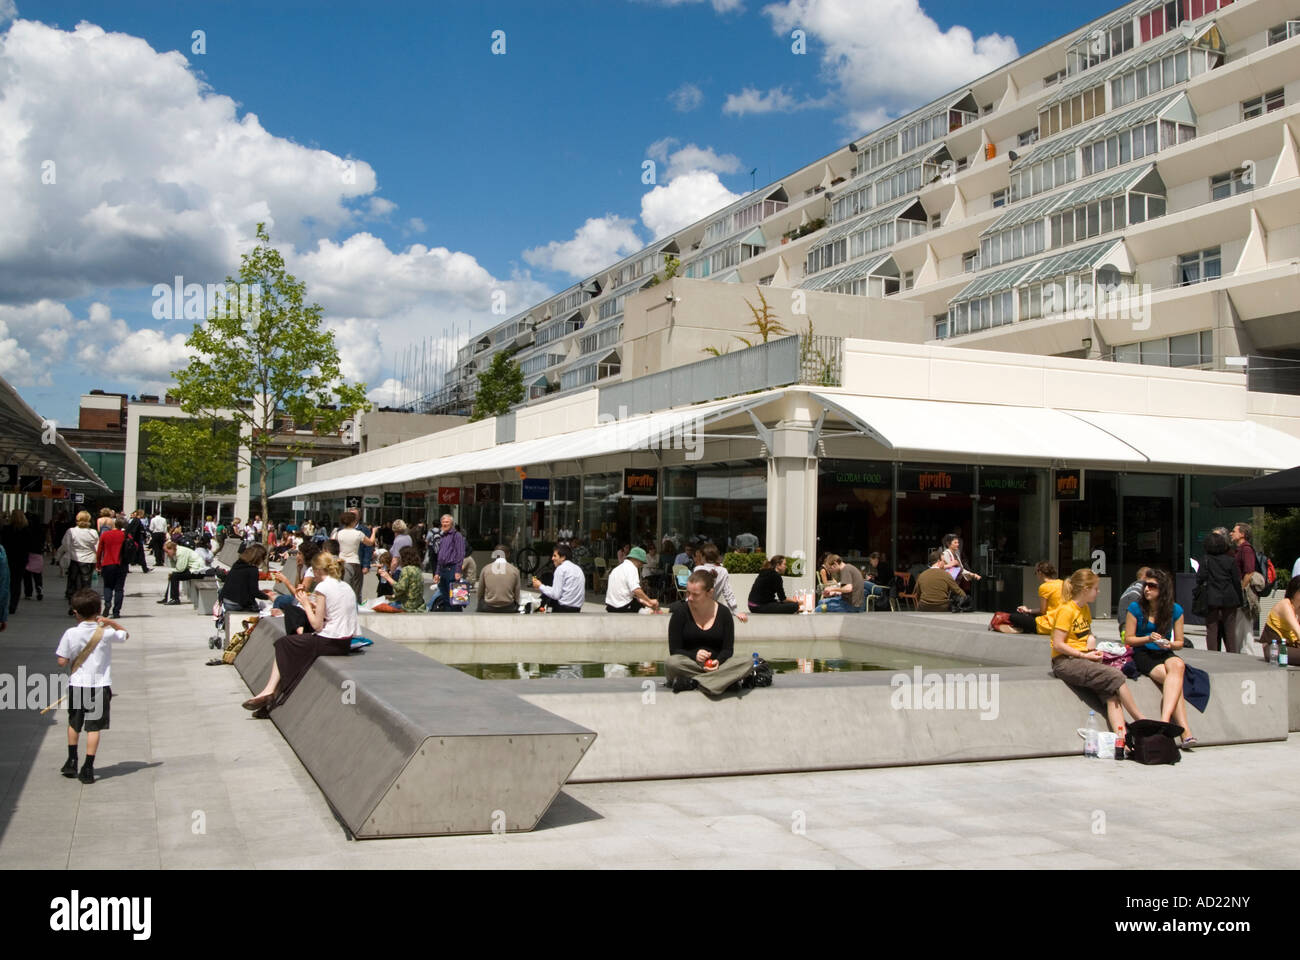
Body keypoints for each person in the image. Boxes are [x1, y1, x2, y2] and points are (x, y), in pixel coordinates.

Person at [241, 552, 357, 718]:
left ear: (317, 571)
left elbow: (317, 625)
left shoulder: (322, 587)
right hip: (344, 641)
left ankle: (270, 691)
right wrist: (311, 605)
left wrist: (305, 605)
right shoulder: (344, 586)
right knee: (293, 639)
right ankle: (269, 697)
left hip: (330, 641)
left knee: (283, 644)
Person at [1049, 569, 1145, 735]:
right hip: (1065, 661)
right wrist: (1083, 655)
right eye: (1095, 588)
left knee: (1111, 695)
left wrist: (1092, 649)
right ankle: (1141, 720)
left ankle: (1123, 739)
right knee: (1116, 676)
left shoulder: (1084, 609)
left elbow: (1085, 636)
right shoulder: (1066, 610)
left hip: (1084, 658)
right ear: (1085, 589)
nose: (1098, 592)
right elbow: (1058, 644)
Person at [56, 588, 129, 784]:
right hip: (99, 686)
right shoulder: (105, 633)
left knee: (74, 723)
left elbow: (62, 661)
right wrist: (110, 622)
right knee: (93, 727)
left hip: (77, 685)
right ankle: (88, 767)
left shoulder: (71, 633)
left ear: (75, 612)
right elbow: (125, 634)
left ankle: (71, 760)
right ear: (98, 610)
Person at [1122, 569, 1194, 745]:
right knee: (1174, 682)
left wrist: (1168, 644)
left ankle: (1164, 720)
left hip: (1164, 651)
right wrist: (1148, 638)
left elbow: (1179, 642)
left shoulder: (1175, 610)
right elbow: (1129, 639)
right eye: (1146, 585)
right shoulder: (1135, 608)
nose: (1147, 589)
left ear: (1162, 590)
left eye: (1152, 586)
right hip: (1143, 653)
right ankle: (1185, 731)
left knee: (1177, 665)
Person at [665, 567, 751, 695]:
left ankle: (694, 682)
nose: (690, 598)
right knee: (671, 663)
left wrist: (719, 661)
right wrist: (695, 655)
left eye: (695, 594)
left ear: (710, 593)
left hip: (717, 667)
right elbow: (674, 650)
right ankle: (722, 682)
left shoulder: (724, 613)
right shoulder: (680, 613)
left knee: (747, 661)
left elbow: (728, 650)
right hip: (690, 665)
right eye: (688, 593)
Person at [1197, 529, 1243, 652]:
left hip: (1211, 597)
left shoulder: (1205, 560)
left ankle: (1213, 654)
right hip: (1230, 597)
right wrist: (1240, 599)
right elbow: (1236, 581)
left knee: (1212, 629)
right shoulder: (1230, 560)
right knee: (1230, 629)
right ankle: (1232, 654)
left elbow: (1200, 578)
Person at [991, 562, 1062, 634]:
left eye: (1035, 573)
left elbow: (1042, 611)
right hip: (1061, 624)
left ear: (1040, 572)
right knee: (1025, 616)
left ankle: (1021, 628)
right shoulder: (1061, 583)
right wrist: (1028, 611)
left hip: (1047, 625)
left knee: (1014, 616)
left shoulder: (1044, 587)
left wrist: (1028, 610)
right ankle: (1023, 628)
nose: (1036, 576)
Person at [692, 543, 748, 622]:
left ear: (704, 556)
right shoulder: (723, 570)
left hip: (696, 608)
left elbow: (693, 591)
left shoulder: (698, 569)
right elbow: (728, 592)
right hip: (711, 608)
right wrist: (735, 611)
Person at [58, 511, 99, 616]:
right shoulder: (93, 532)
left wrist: (60, 555)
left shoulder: (71, 531)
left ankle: (73, 606)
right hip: (89, 560)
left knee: (72, 583)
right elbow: (97, 548)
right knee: (86, 585)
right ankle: (84, 607)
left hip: (74, 559)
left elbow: (65, 544)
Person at [333, 511, 376, 603]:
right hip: (354, 562)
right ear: (353, 522)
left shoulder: (337, 533)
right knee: (355, 589)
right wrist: (374, 532)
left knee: (341, 587)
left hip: (341, 562)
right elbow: (370, 542)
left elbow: (331, 543)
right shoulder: (358, 533)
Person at [219, 543, 275, 613]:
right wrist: (268, 597)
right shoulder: (252, 570)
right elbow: (254, 592)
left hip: (226, 600)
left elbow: (241, 586)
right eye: (263, 558)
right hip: (237, 604)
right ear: (258, 558)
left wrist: (262, 592)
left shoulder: (237, 564)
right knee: (261, 610)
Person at [430, 514, 467, 611]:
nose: (445, 524)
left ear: (451, 523)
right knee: (445, 598)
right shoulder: (442, 536)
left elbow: (460, 554)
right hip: (443, 570)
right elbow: (440, 556)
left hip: (453, 569)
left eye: (447, 522)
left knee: (456, 600)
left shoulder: (457, 535)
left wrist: (458, 571)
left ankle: (456, 619)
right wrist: (437, 573)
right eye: (443, 522)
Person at [605, 546, 660, 613]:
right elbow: (636, 589)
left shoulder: (617, 569)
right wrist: (649, 601)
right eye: (641, 562)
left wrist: (644, 601)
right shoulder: (632, 568)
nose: (641, 565)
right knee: (643, 608)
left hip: (610, 606)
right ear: (636, 559)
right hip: (621, 606)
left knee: (640, 602)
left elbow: (627, 592)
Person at [95, 517, 129, 620]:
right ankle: (116, 611)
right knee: (119, 588)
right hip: (121, 564)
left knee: (108, 586)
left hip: (108, 563)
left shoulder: (105, 534)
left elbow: (99, 550)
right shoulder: (125, 535)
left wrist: (98, 565)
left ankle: (107, 603)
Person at [534, 543, 585, 612]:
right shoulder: (578, 568)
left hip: (563, 608)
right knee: (546, 593)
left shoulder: (561, 569)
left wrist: (540, 586)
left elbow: (556, 595)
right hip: (577, 608)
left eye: (555, 556)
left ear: (563, 557)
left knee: (544, 597)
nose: (552, 558)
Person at [1260, 575, 1300, 661]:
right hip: (1273, 648)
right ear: (1294, 592)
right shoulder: (1285, 605)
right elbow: (1297, 631)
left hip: (1289, 646)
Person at [374, 546, 426, 612]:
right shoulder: (418, 570)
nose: (399, 560)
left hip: (408, 606)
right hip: (418, 605)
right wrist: (392, 597)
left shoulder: (406, 570)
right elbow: (407, 590)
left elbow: (400, 588)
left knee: (377, 606)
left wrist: (388, 577)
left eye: (400, 557)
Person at [158, 539, 206, 605]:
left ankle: (175, 599)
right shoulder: (176, 551)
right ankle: (168, 597)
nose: (167, 554)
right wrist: (171, 558)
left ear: (171, 549)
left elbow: (180, 569)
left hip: (198, 571)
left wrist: (172, 571)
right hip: (192, 569)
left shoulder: (181, 552)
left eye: (167, 551)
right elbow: (174, 567)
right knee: (173, 575)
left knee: (174, 576)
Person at [1, 509, 30, 616]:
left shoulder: (6, 529)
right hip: (20, 560)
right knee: (16, 583)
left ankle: (3, 604)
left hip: (7, 559)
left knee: (5, 582)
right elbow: (28, 546)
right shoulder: (26, 530)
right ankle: (13, 606)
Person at [477, 547, 521, 613]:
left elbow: (480, 591)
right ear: (508, 554)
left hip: (488, 607)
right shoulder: (515, 570)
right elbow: (517, 593)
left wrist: (479, 604)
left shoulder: (486, 568)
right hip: (509, 607)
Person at [1115, 566, 1155, 637]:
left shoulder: (1132, 587)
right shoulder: (1144, 586)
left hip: (1122, 610)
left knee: (1125, 622)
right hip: (1135, 604)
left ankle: (1124, 631)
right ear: (1146, 577)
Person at [22, 511, 46, 601]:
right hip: (38, 554)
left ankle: (28, 593)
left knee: (27, 575)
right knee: (37, 574)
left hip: (28, 554)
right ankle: (39, 588)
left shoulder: (26, 529)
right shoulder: (41, 529)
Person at [125, 510, 150, 574]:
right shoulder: (137, 521)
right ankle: (145, 568)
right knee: (140, 554)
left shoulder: (134, 520)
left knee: (134, 554)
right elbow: (135, 531)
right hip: (137, 540)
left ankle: (144, 568)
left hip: (135, 540)